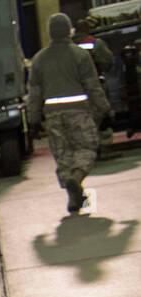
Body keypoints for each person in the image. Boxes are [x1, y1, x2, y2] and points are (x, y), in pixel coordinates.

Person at [29, 14, 111, 213]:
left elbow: (34, 92)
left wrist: (33, 119)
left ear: (50, 32)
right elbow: (92, 85)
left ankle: (75, 199)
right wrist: (104, 109)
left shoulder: (39, 59)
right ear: (69, 30)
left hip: (53, 115)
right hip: (78, 111)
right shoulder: (79, 55)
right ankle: (76, 178)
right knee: (85, 149)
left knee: (62, 155)